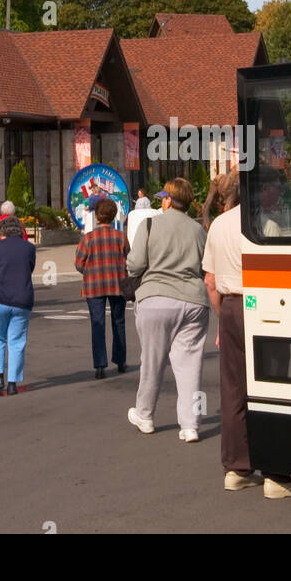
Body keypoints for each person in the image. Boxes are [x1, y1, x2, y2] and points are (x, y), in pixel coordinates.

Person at [202, 173, 291, 498]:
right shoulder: (265, 225)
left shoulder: (218, 225)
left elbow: (210, 281)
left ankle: (237, 468)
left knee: (233, 390)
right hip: (264, 308)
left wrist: (225, 316)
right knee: (272, 387)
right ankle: (276, 474)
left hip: (232, 308)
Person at [125, 177, 209, 443]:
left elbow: (135, 265)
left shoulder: (150, 225)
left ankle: (145, 414)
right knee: (189, 365)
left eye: (164, 197)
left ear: (169, 200)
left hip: (156, 298)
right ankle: (190, 425)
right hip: (194, 301)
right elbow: (205, 265)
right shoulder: (198, 230)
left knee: (152, 361)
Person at [0, 215, 36, 395]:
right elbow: (30, 268)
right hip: (22, 299)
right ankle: (13, 382)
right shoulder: (29, 248)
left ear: (1, 232)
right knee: (17, 341)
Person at [74, 197, 131, 379]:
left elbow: (78, 263)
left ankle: (100, 366)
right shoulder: (120, 237)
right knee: (118, 322)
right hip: (117, 284)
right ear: (113, 216)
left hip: (94, 285)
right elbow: (130, 259)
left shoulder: (89, 238)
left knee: (97, 324)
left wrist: (89, 271)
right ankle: (121, 361)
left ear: (97, 217)